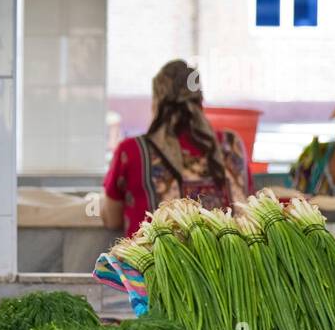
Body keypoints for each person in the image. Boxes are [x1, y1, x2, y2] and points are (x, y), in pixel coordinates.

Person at [101, 59, 252, 237]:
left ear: (156, 101)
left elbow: (111, 219)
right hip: (235, 262)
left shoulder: (132, 151)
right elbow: (249, 202)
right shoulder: (232, 144)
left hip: (155, 264)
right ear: (200, 101)